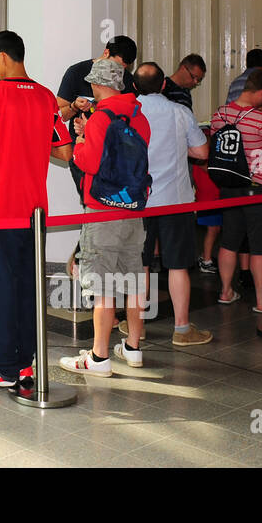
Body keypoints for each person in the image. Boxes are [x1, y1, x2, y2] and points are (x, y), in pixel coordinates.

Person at [0, 30, 72, 395]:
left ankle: (2, 367)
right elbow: (64, 153)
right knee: (28, 286)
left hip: (1, 210)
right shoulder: (44, 96)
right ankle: (26, 363)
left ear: (2, 57)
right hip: (35, 209)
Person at [58, 57, 153, 377]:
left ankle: (98, 358)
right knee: (133, 281)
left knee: (103, 286)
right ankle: (134, 348)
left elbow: (89, 163)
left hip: (102, 212)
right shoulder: (140, 117)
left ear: (98, 85)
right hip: (133, 211)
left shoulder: (100, 118)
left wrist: (82, 138)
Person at [132, 62, 212, 348]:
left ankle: (136, 327)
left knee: (140, 264)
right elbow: (201, 151)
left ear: (135, 86)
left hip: (138, 202)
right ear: (163, 84)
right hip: (175, 201)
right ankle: (181, 328)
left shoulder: (128, 112)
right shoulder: (180, 112)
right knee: (178, 265)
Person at [210, 70, 262, 312]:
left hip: (229, 187)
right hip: (258, 188)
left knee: (229, 242)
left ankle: (225, 291)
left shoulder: (219, 114)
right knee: (259, 246)